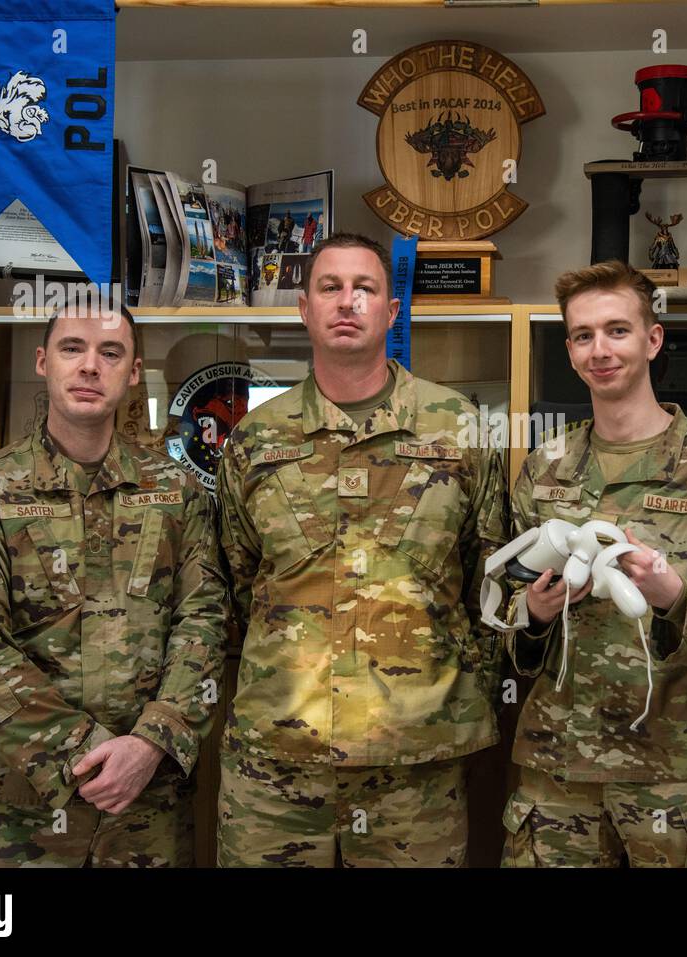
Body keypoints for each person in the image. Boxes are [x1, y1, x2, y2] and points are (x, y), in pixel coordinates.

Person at [215, 232, 508, 867]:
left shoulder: (457, 427)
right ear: (303, 308)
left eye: (365, 288)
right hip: (277, 764)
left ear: (392, 310)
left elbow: (491, 579)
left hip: (416, 764)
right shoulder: (257, 439)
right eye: (331, 287)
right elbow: (237, 580)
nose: (348, 302)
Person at [0, 296, 228, 866]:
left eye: (110, 352)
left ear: (134, 373)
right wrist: (84, 750)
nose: (90, 366)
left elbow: (205, 623)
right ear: (43, 362)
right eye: (72, 348)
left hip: (146, 807)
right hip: (9, 814)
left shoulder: (176, 493)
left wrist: (151, 742)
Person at [498, 260, 687, 867]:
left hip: (677, 770)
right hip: (558, 770)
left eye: (617, 330)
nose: (600, 349)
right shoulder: (544, 466)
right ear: (571, 351)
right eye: (583, 335)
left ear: (653, 339)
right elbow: (502, 610)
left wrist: (674, 595)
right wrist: (536, 613)